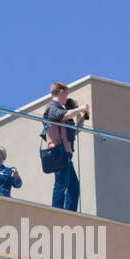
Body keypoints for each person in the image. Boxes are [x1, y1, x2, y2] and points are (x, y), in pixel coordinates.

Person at [42, 82, 89, 211]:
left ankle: (69, 213)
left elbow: (73, 131)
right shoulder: (52, 107)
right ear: (61, 92)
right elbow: (63, 115)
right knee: (61, 184)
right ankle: (57, 212)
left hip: (65, 154)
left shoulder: (60, 110)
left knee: (73, 186)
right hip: (58, 153)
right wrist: (80, 109)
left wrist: (83, 116)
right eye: (66, 94)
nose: (66, 98)